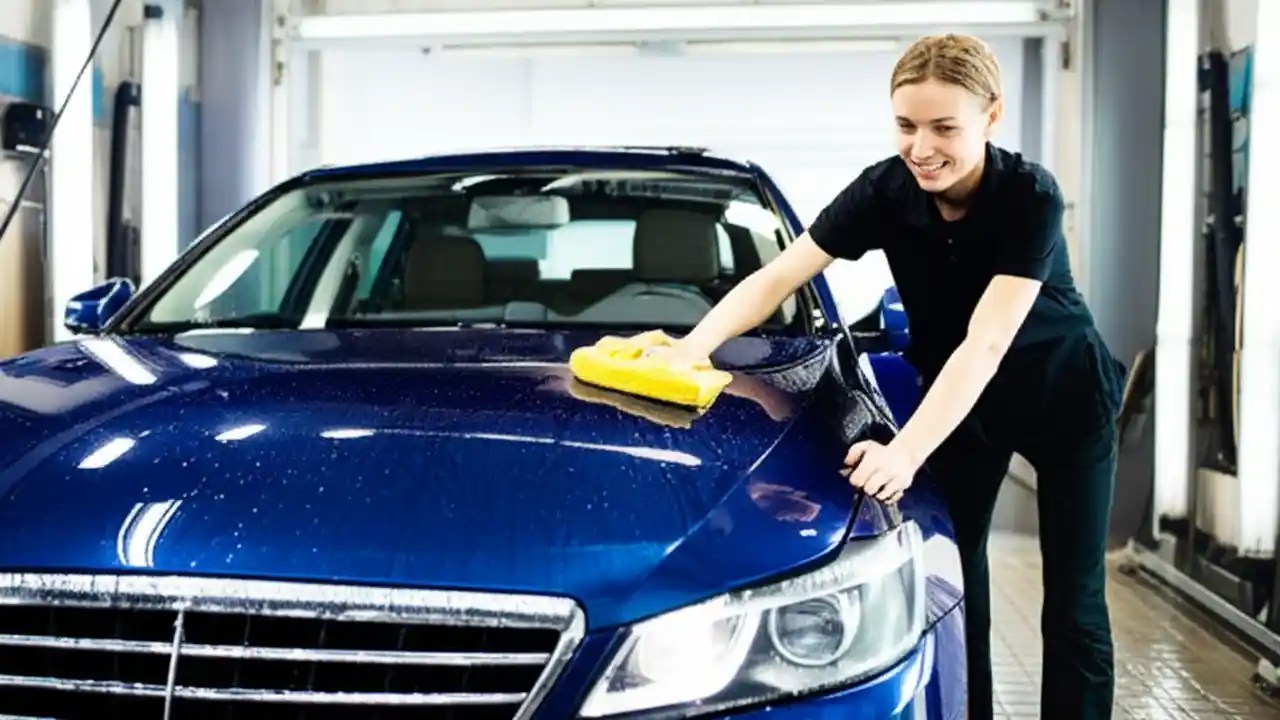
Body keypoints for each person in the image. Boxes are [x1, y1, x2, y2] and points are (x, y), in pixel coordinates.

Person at [649, 33, 1127, 720]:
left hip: (1063, 397)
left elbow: (986, 343)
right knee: (963, 588)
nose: (921, 147)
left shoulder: (1031, 196)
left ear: (992, 118)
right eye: (906, 125)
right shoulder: (884, 190)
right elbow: (783, 274)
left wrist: (905, 451)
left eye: (944, 128)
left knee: (1074, 605)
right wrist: (694, 346)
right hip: (965, 408)